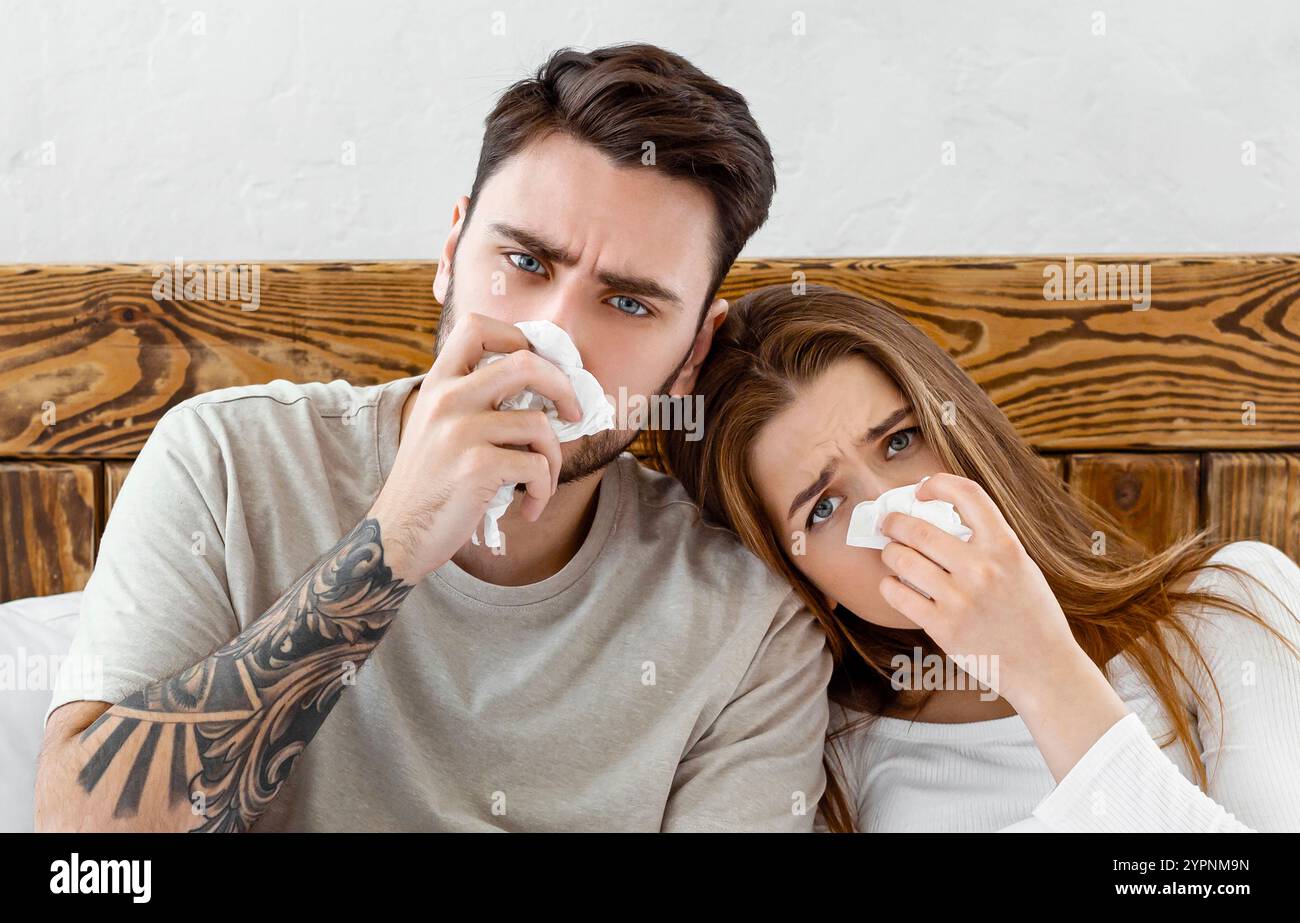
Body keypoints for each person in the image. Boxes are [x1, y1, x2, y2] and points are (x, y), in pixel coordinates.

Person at [33, 44, 832, 832]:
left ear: (693, 351)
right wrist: (393, 542)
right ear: (451, 253)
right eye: (523, 261)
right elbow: (84, 849)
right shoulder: (228, 463)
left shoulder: (748, 623)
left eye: (629, 305)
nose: (552, 334)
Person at [658, 283, 1300, 832]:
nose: (896, 511)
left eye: (900, 440)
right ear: (803, 578)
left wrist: (1040, 667)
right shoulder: (823, 757)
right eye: (824, 508)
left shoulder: (1235, 604)